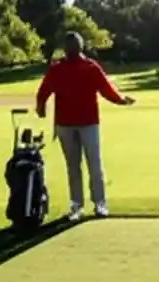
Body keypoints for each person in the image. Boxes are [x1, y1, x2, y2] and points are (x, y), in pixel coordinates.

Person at [36, 32, 135, 220]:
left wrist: (121, 100)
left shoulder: (90, 68)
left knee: (94, 165)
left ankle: (100, 204)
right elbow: (44, 90)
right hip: (65, 124)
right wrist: (40, 106)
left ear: (80, 47)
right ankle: (76, 205)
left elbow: (107, 89)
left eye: (72, 46)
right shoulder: (57, 69)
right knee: (73, 167)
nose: (70, 49)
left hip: (88, 123)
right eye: (68, 46)